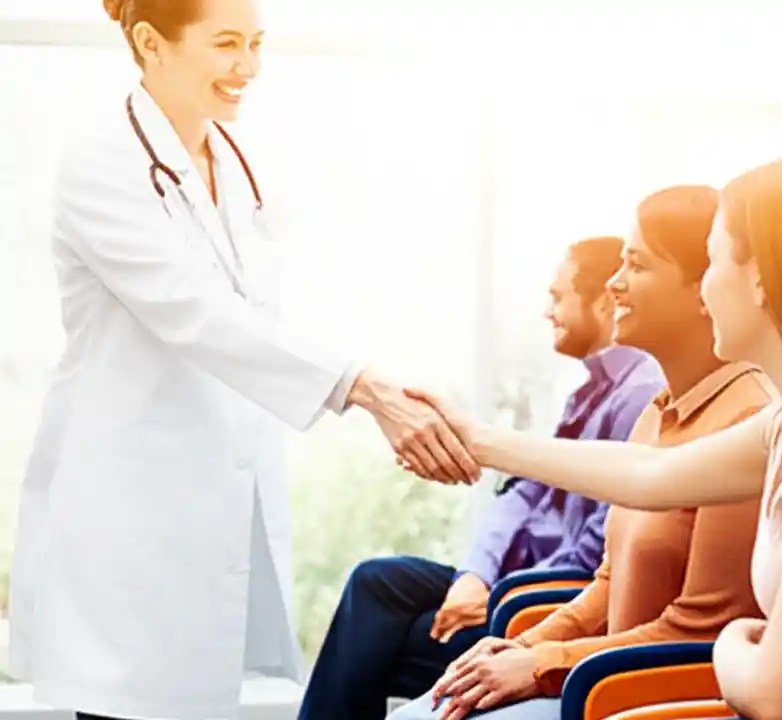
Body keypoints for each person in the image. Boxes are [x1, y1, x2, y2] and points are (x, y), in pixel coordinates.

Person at [6, 1, 476, 718]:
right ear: (147, 42)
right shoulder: (101, 165)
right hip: (130, 507)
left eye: (257, 43)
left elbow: (265, 317)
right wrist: (364, 387)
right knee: (127, 702)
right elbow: (200, 314)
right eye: (226, 43)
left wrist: (381, 380)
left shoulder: (232, 159)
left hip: (210, 498)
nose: (248, 67)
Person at [405, 155, 782, 717]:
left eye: (711, 264)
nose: (707, 291)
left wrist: (737, 637)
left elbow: (776, 694)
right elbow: (650, 476)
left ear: (761, 278)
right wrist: (477, 440)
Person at [391, 185, 772, 720]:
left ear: (701, 288)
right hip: (601, 679)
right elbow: (608, 585)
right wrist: (520, 649)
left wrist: (545, 662)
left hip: (637, 695)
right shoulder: (655, 415)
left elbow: (704, 629)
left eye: (635, 265)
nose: (613, 284)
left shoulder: (751, 416)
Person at [298, 236, 665, 720]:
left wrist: (497, 592)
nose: (547, 312)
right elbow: (520, 497)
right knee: (377, 583)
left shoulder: (639, 396)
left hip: (543, 595)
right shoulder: (589, 393)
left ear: (600, 301)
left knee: (377, 641)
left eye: (558, 297)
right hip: (510, 583)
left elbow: (598, 550)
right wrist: (475, 576)